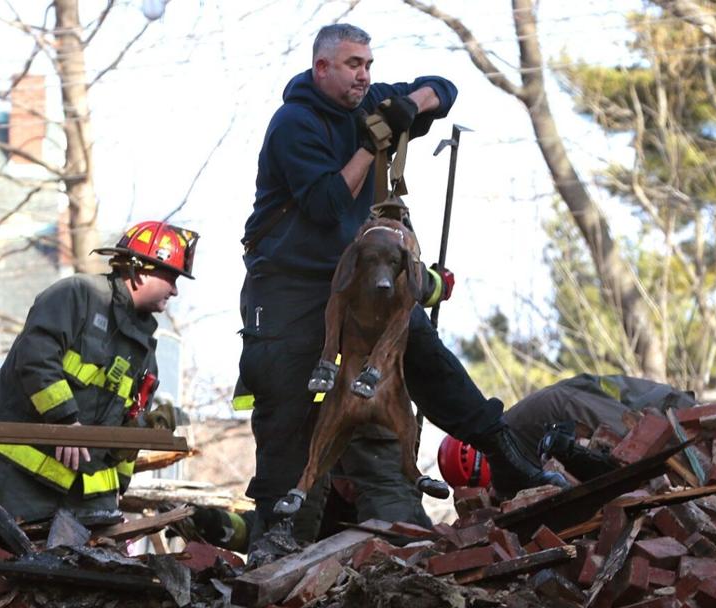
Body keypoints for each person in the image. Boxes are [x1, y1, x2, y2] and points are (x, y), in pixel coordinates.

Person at [238, 23, 563, 560]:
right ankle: (277, 541)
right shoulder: (294, 124)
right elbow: (327, 205)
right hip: (294, 287)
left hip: (361, 285)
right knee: (291, 407)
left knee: (428, 357)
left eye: (369, 64)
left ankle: (508, 456)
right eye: (353, 65)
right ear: (322, 68)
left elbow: (445, 90)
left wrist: (410, 106)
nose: (364, 75)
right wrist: (371, 145)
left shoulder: (373, 101)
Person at [0, 221, 198, 525]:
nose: (176, 290)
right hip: (18, 481)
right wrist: (65, 422)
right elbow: (35, 357)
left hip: (85, 502)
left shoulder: (145, 353)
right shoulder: (78, 296)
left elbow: (126, 430)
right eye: (171, 278)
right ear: (141, 271)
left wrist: (120, 485)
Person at [438, 374, 696, 488]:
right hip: (660, 411)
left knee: (682, 461)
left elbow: (636, 438)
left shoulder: (527, 422)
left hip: (676, 416)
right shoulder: (521, 439)